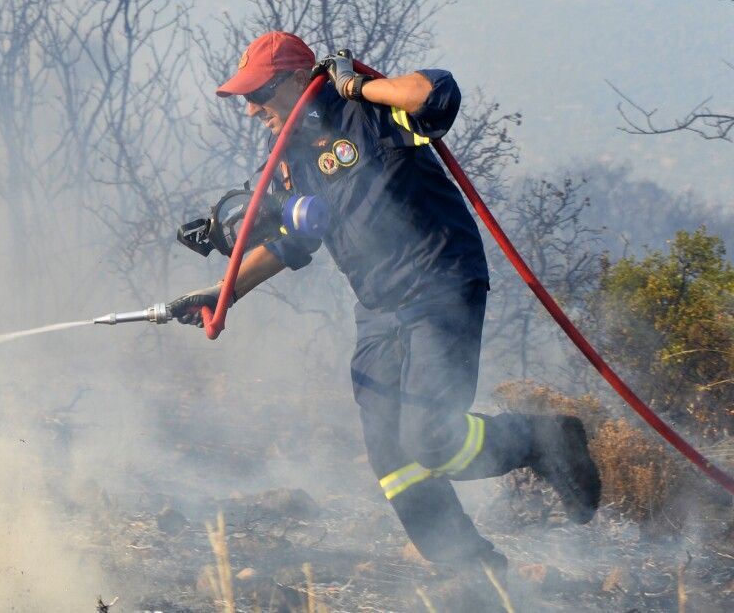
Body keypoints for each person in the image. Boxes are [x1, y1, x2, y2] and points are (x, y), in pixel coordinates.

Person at [166, 31, 601, 574]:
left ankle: (546, 440)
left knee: (433, 438)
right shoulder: (293, 160)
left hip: (439, 283)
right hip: (379, 307)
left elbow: (437, 95)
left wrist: (358, 86)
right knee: (393, 457)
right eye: (247, 98)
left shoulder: (369, 111)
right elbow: (293, 241)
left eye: (261, 93)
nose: (252, 109)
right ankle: (475, 576)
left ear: (301, 79)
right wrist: (221, 292)